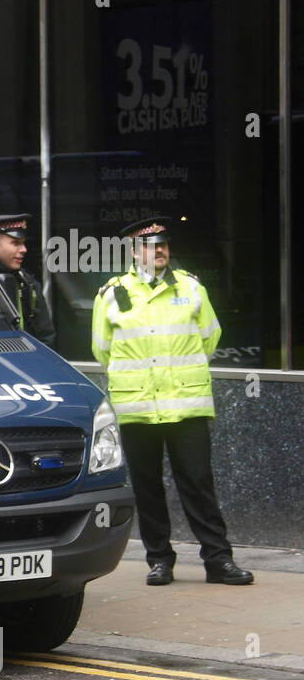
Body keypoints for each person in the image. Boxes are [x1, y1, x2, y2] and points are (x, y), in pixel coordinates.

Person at [91, 216, 252, 586]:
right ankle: (159, 561)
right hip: (138, 409)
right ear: (134, 251)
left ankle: (218, 560)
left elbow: (210, 339)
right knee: (148, 489)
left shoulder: (192, 289)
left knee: (198, 483)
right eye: (151, 245)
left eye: (163, 244)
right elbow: (103, 351)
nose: (160, 250)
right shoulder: (111, 294)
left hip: (186, 404)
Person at [0, 213, 56, 347]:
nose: (24, 250)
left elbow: (46, 337)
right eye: (16, 243)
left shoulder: (27, 283)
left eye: (23, 244)